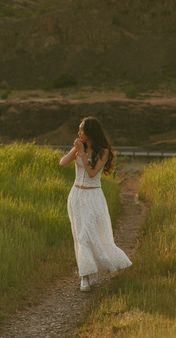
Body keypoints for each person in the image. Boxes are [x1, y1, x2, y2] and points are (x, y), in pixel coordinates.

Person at [59, 116, 132, 292]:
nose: (79, 133)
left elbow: (91, 173)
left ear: (90, 132)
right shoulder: (79, 148)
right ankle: (85, 276)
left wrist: (82, 153)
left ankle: (92, 272)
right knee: (80, 236)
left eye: (81, 130)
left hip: (93, 197)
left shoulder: (103, 152)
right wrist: (74, 150)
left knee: (93, 235)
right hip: (76, 196)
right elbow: (62, 163)